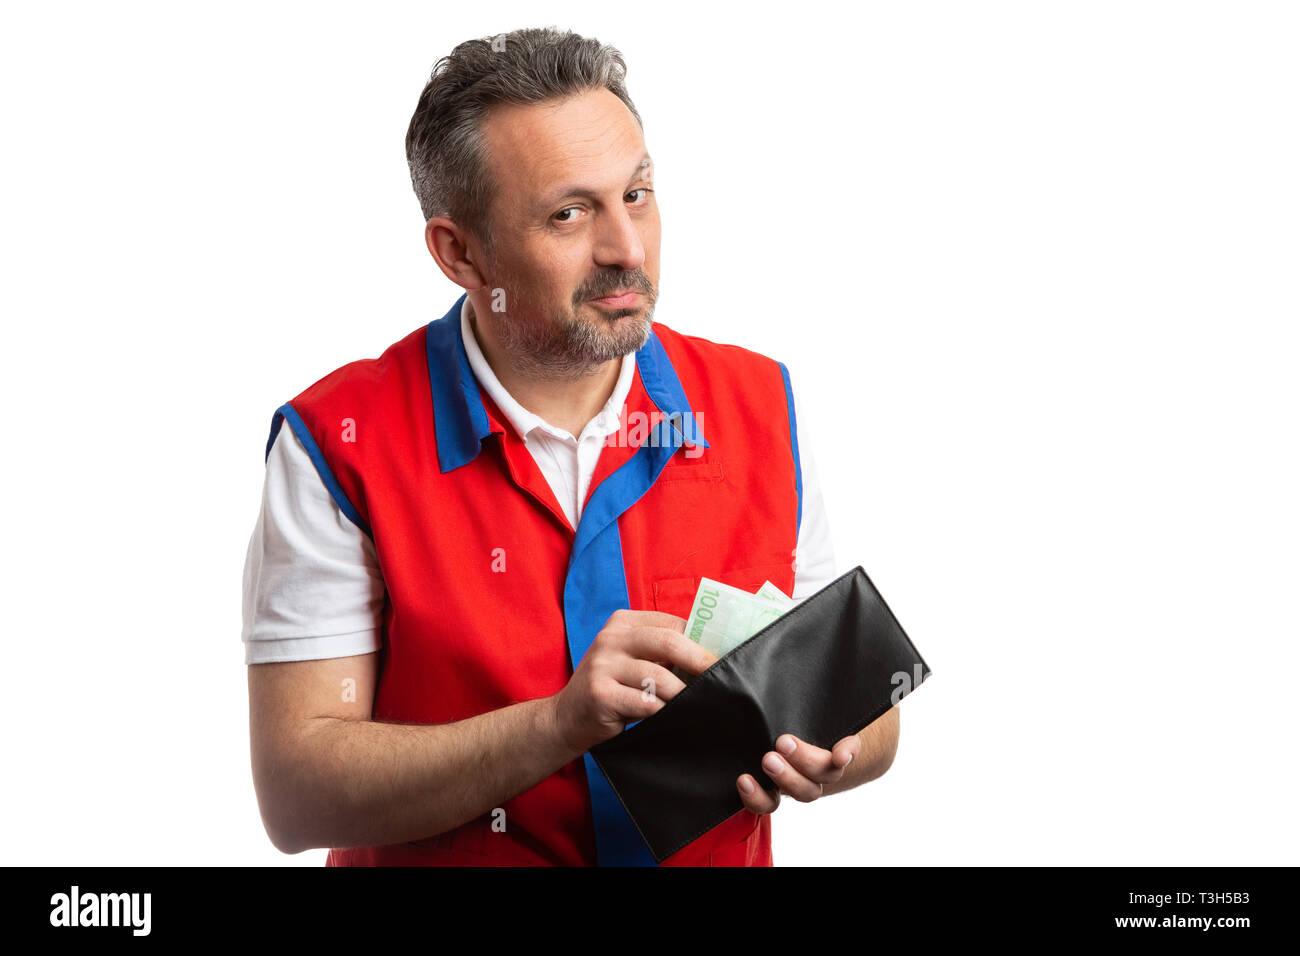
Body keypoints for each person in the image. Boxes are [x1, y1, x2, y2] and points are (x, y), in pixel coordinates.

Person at [242, 26, 900, 867]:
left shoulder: (756, 404)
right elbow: (298, 796)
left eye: (638, 194)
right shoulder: (340, 446)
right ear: (460, 252)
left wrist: (834, 752)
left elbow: (865, 702)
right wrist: (557, 724)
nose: (627, 249)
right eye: (569, 212)